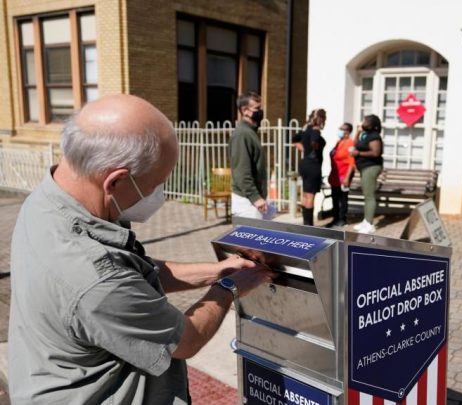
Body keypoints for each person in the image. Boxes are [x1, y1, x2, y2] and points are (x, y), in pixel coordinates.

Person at [8, 94, 275, 404]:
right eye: (156, 184)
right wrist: (227, 288)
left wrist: (215, 270)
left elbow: (132, 275)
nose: (158, 195)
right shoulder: (94, 278)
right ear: (116, 181)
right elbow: (185, 340)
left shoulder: (48, 199)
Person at [230, 91, 268, 219]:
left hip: (252, 202)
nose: (260, 111)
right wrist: (256, 198)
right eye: (257, 108)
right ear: (245, 110)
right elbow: (242, 171)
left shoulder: (250, 132)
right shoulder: (242, 134)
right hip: (247, 203)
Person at [292, 109, 327, 226]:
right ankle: (309, 225)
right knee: (310, 196)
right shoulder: (315, 131)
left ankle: (305, 223)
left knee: (305, 194)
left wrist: (305, 150)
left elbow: (294, 139)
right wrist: (314, 147)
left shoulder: (305, 129)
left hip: (304, 164)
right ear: (321, 119)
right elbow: (314, 141)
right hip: (313, 166)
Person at [351, 114, 384, 234]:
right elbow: (354, 144)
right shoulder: (365, 135)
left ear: (370, 124)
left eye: (364, 120)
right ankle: (366, 220)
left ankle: (370, 225)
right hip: (364, 168)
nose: (362, 122)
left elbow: (376, 153)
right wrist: (357, 132)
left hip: (371, 167)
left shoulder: (374, 136)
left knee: (369, 196)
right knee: (366, 194)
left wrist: (358, 154)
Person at [326, 122, 356, 228]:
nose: (339, 130)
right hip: (335, 175)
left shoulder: (350, 143)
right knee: (334, 197)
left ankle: (342, 219)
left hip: (343, 175)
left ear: (347, 131)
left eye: (342, 128)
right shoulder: (339, 142)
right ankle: (335, 219)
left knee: (342, 198)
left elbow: (352, 163)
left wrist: (347, 177)